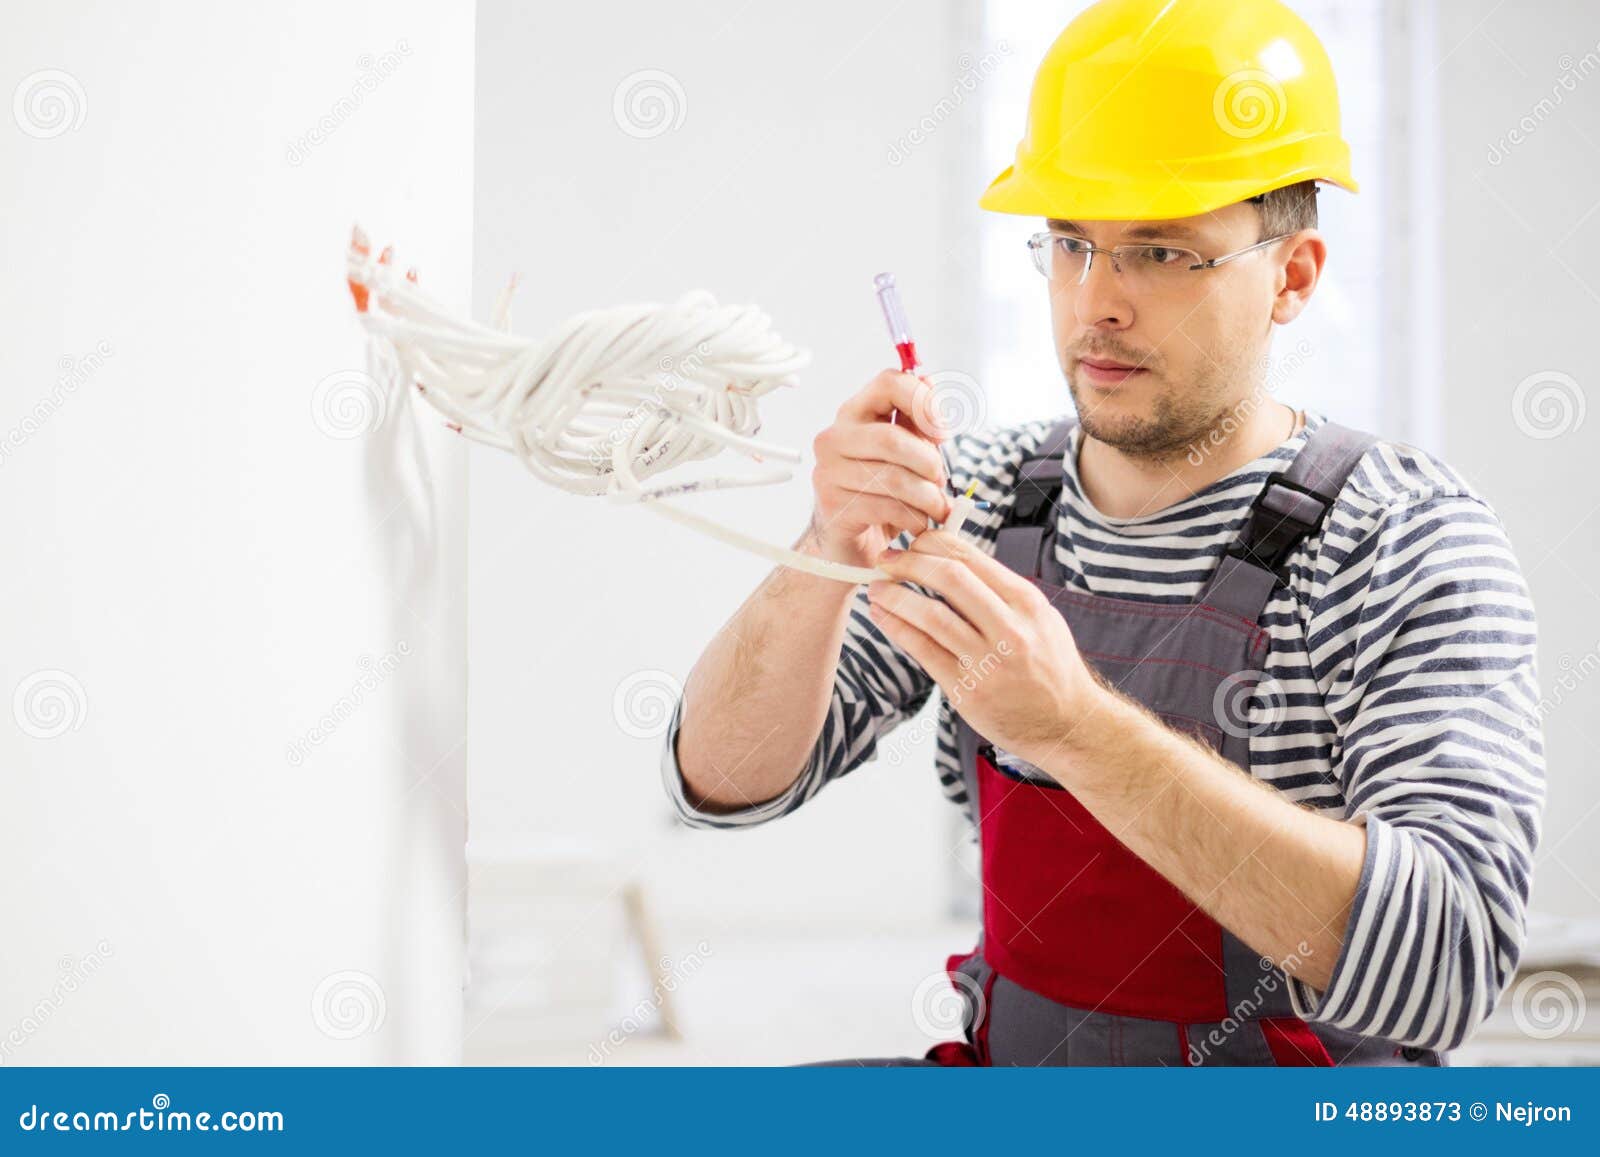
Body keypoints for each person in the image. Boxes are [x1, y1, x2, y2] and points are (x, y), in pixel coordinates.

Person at [660, 0, 1545, 1066]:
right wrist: (823, 548)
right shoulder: (981, 498)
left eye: (1162, 252)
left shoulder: (1401, 539)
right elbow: (720, 783)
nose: (1096, 304)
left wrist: (1077, 728)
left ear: (1293, 275)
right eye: (1072, 243)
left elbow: (1448, 966)